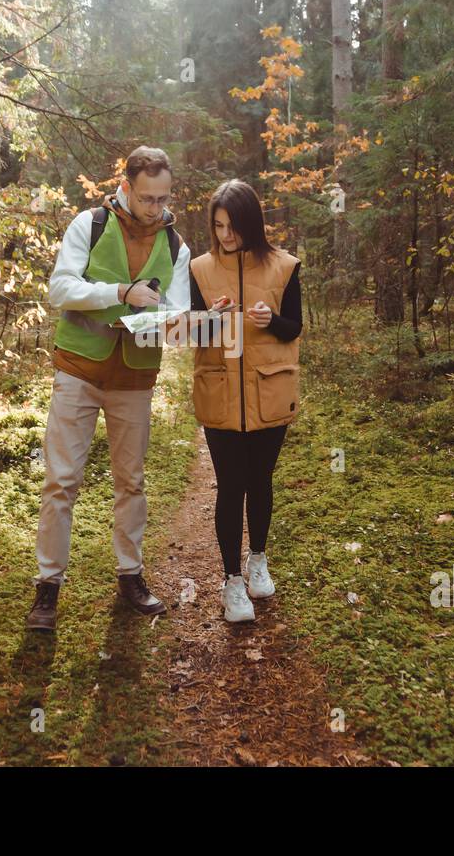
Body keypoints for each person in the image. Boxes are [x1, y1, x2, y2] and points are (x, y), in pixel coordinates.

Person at [26, 146, 192, 632]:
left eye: (163, 198)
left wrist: (189, 321)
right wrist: (119, 294)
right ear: (125, 186)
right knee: (61, 480)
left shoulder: (176, 244)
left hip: (135, 378)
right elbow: (59, 289)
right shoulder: (89, 225)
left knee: (132, 482)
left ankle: (130, 577)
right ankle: (47, 589)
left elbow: (177, 311)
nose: (155, 208)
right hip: (79, 369)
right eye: (146, 198)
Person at [188, 179, 302, 623]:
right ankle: (232, 580)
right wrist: (209, 319)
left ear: (251, 224)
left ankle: (258, 560)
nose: (225, 236)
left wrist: (271, 319)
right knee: (230, 485)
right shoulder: (199, 268)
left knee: (261, 480)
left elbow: (294, 326)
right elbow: (191, 333)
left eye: (233, 227)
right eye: (218, 227)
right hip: (219, 394)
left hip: (270, 393)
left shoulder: (285, 267)